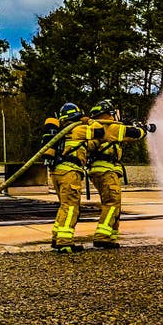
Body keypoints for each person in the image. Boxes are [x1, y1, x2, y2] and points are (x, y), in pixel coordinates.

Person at [87, 99, 154, 249]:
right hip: (106, 170)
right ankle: (102, 237)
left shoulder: (95, 126)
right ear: (108, 113)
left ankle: (111, 237)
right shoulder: (110, 127)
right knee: (112, 203)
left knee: (113, 204)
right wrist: (142, 128)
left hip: (99, 170)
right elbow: (135, 134)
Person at [47, 102, 104, 253]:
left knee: (64, 206)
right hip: (70, 173)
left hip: (57, 172)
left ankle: (57, 238)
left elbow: (87, 146)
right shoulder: (79, 129)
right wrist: (89, 121)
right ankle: (65, 242)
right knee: (71, 207)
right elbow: (100, 131)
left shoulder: (62, 132)